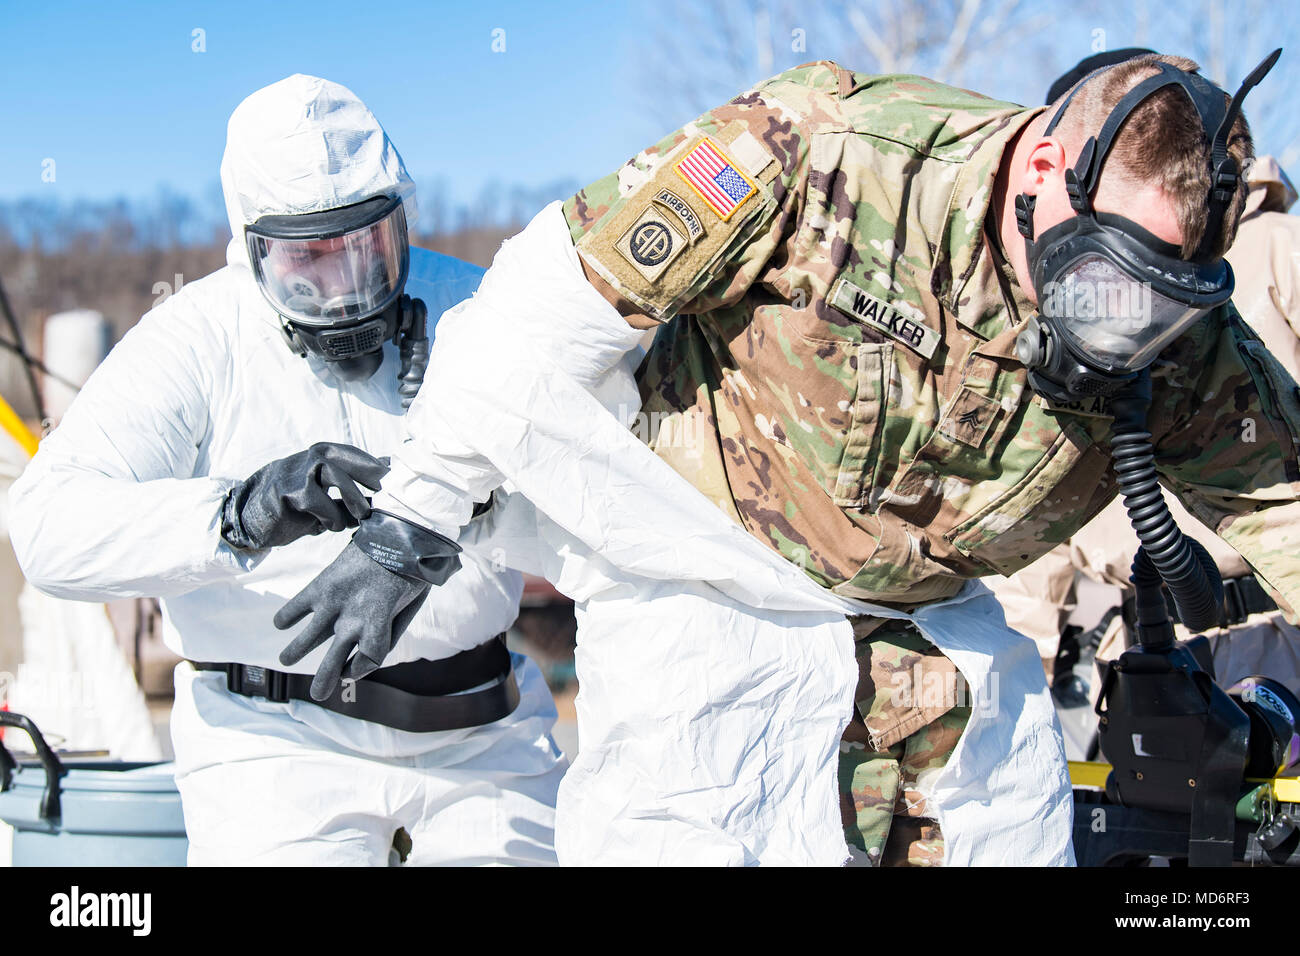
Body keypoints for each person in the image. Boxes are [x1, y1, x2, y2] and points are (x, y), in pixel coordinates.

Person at [275, 51, 1299, 867]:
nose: (1120, 325)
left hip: (935, 638)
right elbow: (532, 320)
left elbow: (1288, 506)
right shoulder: (816, 154)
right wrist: (411, 523)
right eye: (1103, 277)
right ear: (1042, 170)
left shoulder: (1175, 333)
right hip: (708, 593)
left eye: (1161, 299)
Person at [7, 74, 567, 866]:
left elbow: (601, 511)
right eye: (310, 259)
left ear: (398, 221)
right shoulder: (197, 340)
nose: (346, 292)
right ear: (254, 247)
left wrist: (455, 509)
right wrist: (236, 513)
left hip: (483, 737)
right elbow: (47, 530)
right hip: (274, 749)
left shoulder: (475, 308)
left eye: (366, 250)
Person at [990, 51, 1300, 702]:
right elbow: (1023, 521)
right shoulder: (1042, 301)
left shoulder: (1281, 247)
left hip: (1275, 632)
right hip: (1140, 651)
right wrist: (1022, 690)